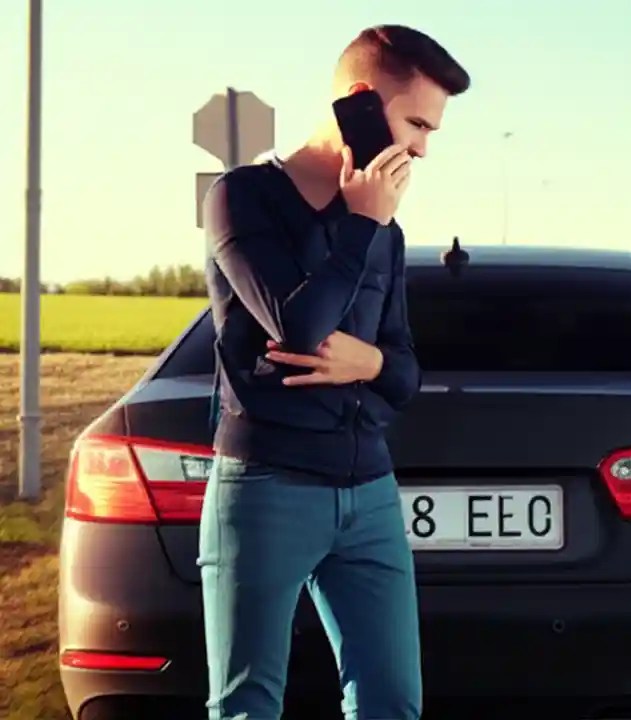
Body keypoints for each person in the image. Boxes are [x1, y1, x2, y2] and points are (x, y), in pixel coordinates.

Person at [199, 24, 469, 720]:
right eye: (415, 123)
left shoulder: (388, 230)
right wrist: (359, 223)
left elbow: (404, 374)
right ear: (358, 99)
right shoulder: (242, 198)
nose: (422, 148)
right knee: (247, 707)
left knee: (391, 703)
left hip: (370, 493)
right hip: (266, 490)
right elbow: (297, 326)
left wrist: (367, 360)